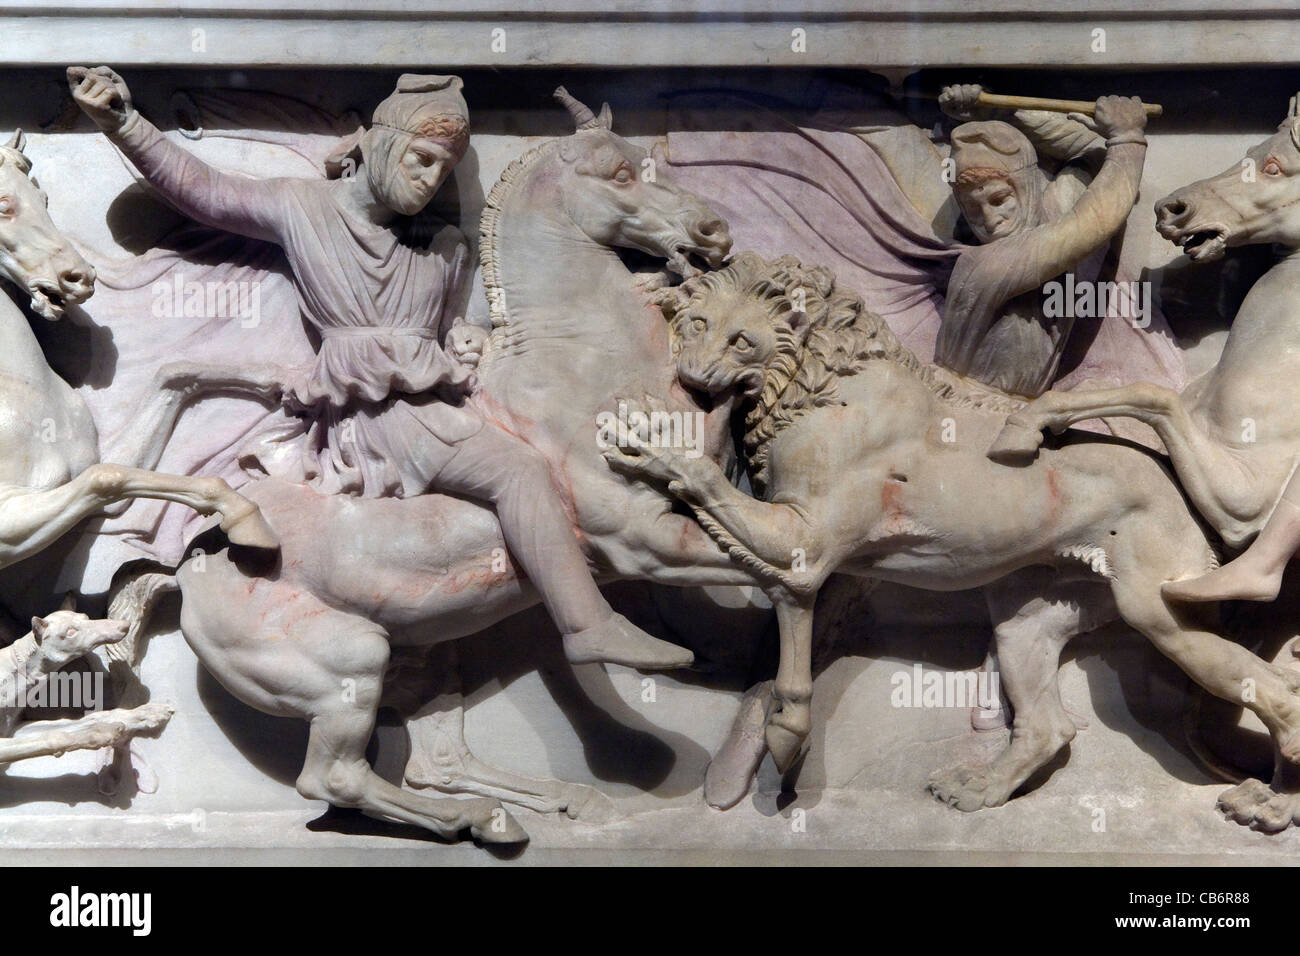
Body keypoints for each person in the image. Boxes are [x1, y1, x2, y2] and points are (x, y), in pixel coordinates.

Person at [69, 65, 691, 670]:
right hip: (382, 408)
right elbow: (204, 191)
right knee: (520, 470)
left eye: (443, 168)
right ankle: (587, 625)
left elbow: (445, 329)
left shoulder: (438, 249)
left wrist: (465, 338)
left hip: (435, 396)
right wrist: (124, 121)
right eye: (419, 158)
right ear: (380, 146)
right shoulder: (303, 208)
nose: (429, 179)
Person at [935, 85, 1149, 398]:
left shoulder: (1049, 220)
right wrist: (1127, 137)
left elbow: (1097, 157)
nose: (989, 218)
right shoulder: (987, 264)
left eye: (999, 199)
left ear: (1028, 186)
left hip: (1007, 411)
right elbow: (1092, 223)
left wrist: (1006, 110)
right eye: (971, 208)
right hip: (975, 412)